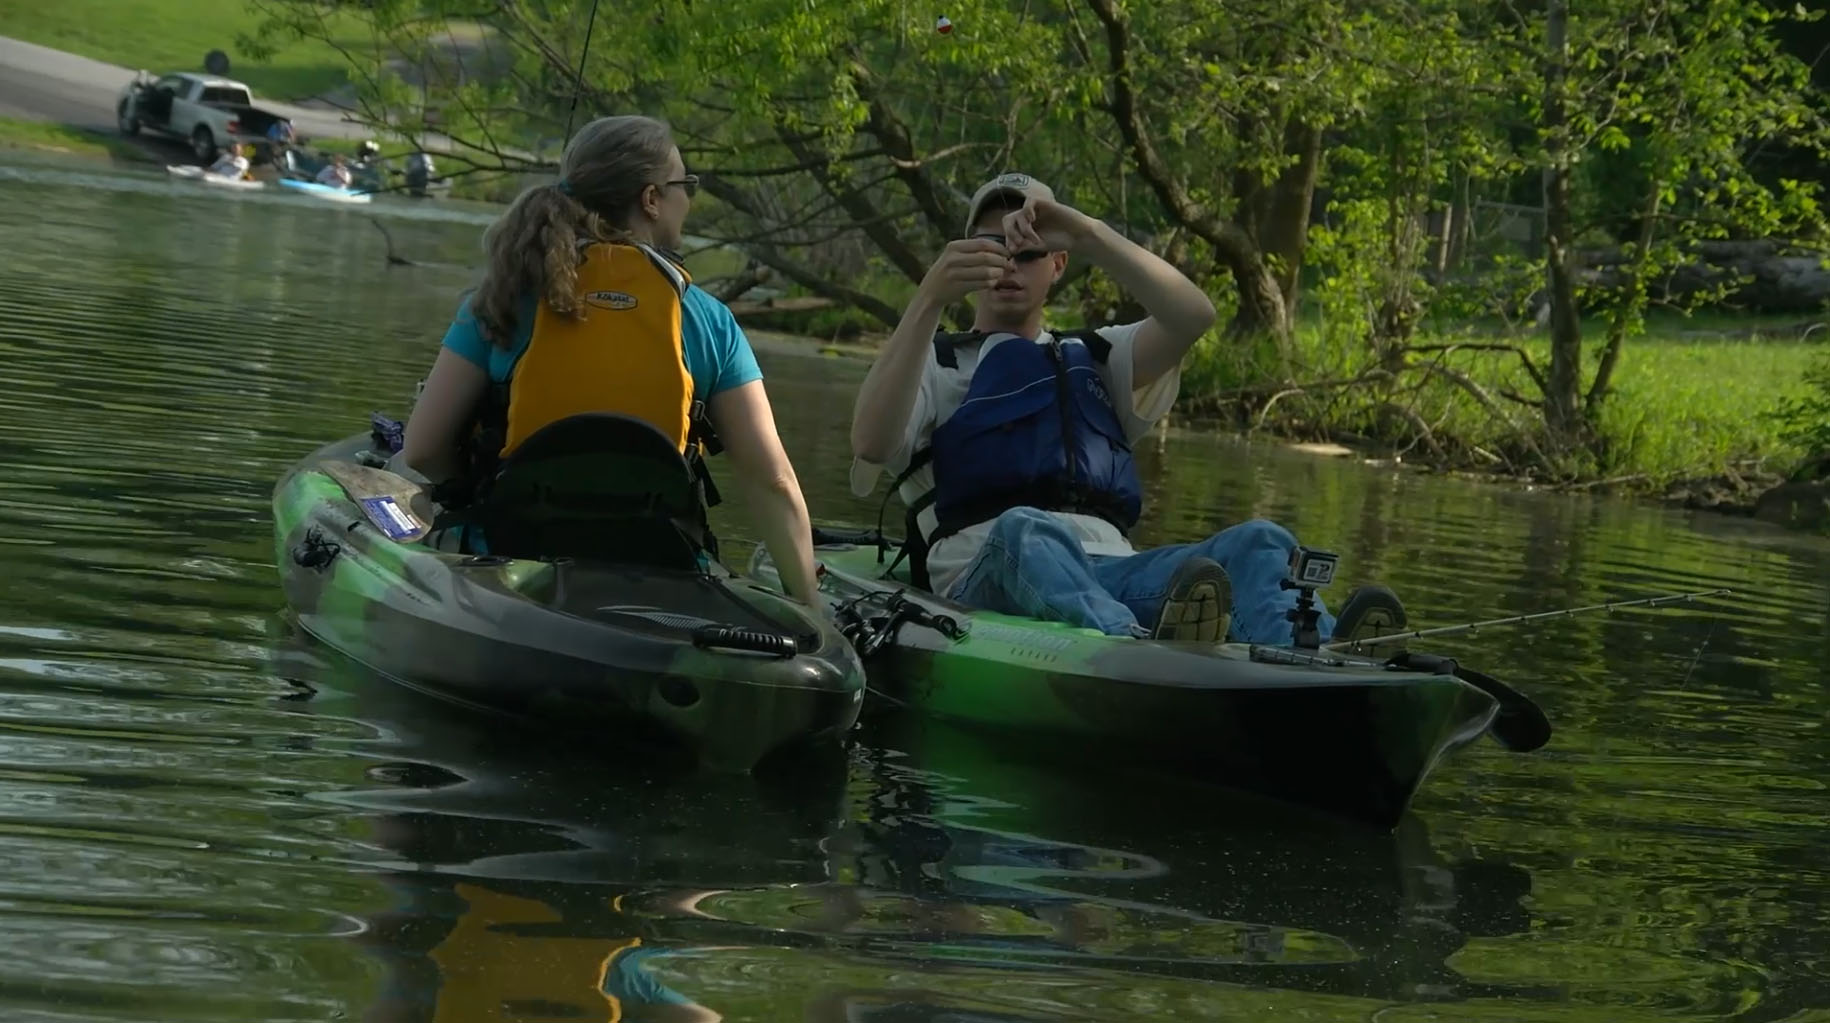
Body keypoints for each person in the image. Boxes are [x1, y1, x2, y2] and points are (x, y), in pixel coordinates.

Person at [848, 172, 1408, 646]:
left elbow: (1194, 316)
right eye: (993, 249)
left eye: (1028, 251)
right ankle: (1132, 651)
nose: (1010, 265)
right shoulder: (932, 359)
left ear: (1058, 264)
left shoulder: (1097, 357)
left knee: (1261, 542)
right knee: (1027, 530)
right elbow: (871, 443)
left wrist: (1090, 233)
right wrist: (928, 297)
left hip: (1112, 572)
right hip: (989, 573)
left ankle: (1320, 652)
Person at [400, 114, 822, 605]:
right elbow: (771, 481)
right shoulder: (709, 321)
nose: (688, 198)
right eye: (684, 185)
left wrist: (471, 492)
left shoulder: (503, 299)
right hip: (657, 568)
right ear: (651, 199)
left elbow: (423, 450)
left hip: (509, 559)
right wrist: (811, 609)